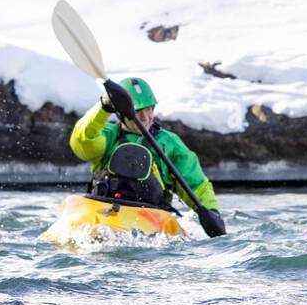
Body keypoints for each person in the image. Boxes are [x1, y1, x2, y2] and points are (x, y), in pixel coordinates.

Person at [69, 75, 226, 234]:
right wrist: (102, 108)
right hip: (102, 208)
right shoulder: (107, 135)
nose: (145, 118)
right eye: (138, 111)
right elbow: (82, 140)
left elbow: (196, 184)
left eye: (149, 109)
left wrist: (211, 210)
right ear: (121, 113)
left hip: (150, 214)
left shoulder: (169, 142)